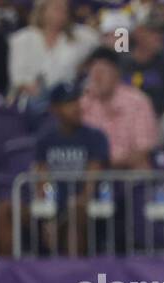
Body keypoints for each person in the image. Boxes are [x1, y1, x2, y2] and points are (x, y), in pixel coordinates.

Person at [32, 80, 109, 255]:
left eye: (77, 100)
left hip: (87, 208)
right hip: (54, 207)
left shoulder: (95, 137)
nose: (76, 106)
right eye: (69, 102)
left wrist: (74, 205)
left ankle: (72, 275)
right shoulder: (46, 140)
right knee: (6, 211)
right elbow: (41, 181)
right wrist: (48, 217)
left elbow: (90, 185)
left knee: (75, 210)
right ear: (55, 109)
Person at [7, 0, 98, 106]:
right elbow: (18, 78)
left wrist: (84, 65)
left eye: (65, 10)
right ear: (42, 11)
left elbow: (102, 48)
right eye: (57, 9)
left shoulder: (80, 37)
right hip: (31, 99)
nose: (62, 14)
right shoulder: (22, 39)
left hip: (66, 98)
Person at [81, 49, 160, 170]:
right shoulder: (84, 103)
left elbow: (144, 149)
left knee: (142, 168)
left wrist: (109, 164)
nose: (97, 78)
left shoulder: (137, 102)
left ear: (116, 74)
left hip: (127, 173)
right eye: (93, 72)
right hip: (91, 173)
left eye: (102, 72)